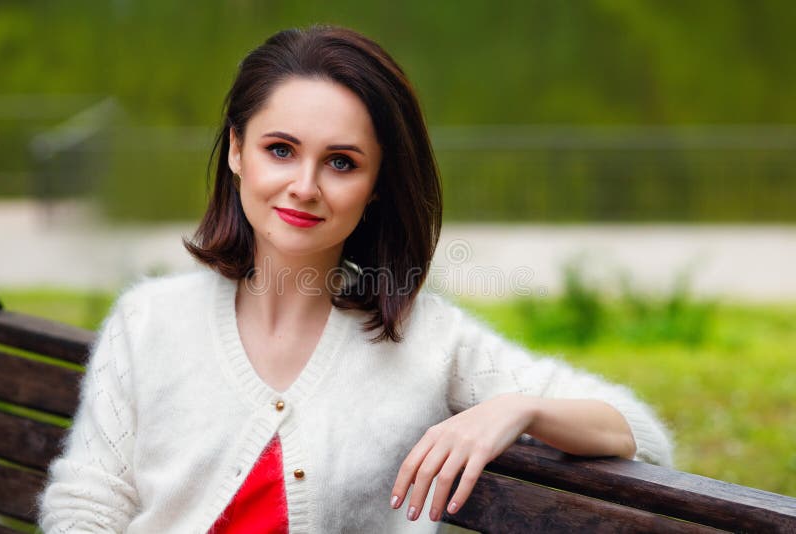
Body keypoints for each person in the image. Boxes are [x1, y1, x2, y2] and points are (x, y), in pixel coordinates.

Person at [36, 24, 673, 533]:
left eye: (341, 162)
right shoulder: (148, 320)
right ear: (236, 150)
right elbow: (90, 496)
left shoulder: (425, 339)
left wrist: (518, 406)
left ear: (374, 187)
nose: (304, 187)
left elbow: (639, 433)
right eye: (279, 149)